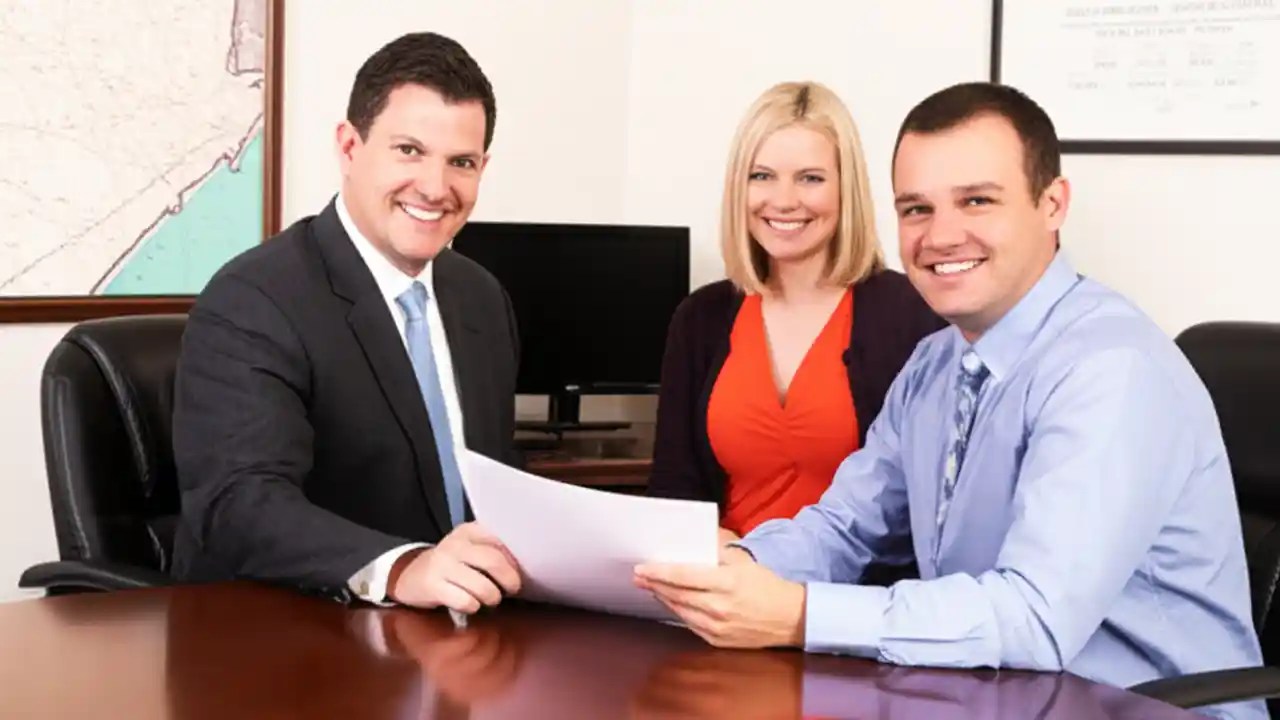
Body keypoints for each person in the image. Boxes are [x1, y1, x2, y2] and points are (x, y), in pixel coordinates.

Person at [634, 82, 1265, 718]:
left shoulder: (1111, 370)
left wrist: (798, 615)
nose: (941, 236)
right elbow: (846, 526)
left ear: (1052, 204)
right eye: (916, 209)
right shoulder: (936, 363)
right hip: (997, 698)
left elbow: (1034, 618)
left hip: (1144, 707)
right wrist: (733, 566)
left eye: (977, 201)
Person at [171, 32, 522, 616]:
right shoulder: (254, 298)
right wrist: (405, 566)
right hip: (295, 642)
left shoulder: (481, 298)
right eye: (409, 150)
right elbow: (239, 502)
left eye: (460, 162)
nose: (436, 188)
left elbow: (492, 482)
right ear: (350, 147)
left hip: (459, 638)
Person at [646, 81, 943, 552]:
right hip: (727, 588)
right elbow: (674, 492)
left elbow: (927, 502)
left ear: (846, 189)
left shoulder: (912, 314)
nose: (783, 200)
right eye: (761, 176)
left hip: (857, 604)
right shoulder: (701, 318)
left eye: (810, 178)